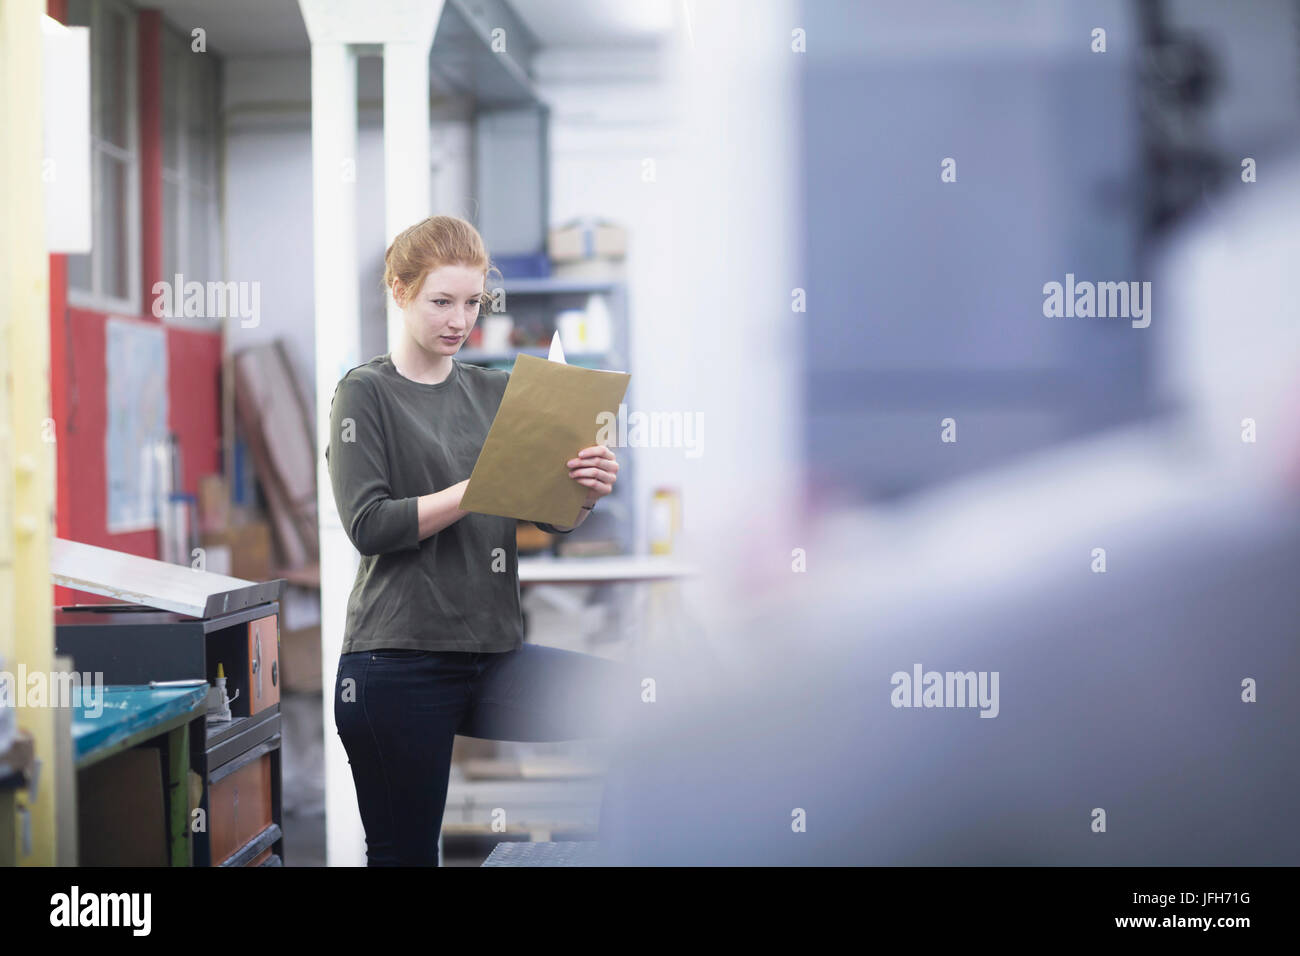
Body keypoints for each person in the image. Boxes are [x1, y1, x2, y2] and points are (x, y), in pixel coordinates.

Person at [327, 215, 625, 866]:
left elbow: (549, 516)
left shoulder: (498, 391)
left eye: (471, 303)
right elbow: (369, 525)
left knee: (631, 710)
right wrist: (477, 486)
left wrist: (583, 490)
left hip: (491, 655)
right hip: (395, 663)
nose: (459, 320)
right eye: (441, 301)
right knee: (406, 855)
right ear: (399, 291)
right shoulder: (365, 393)